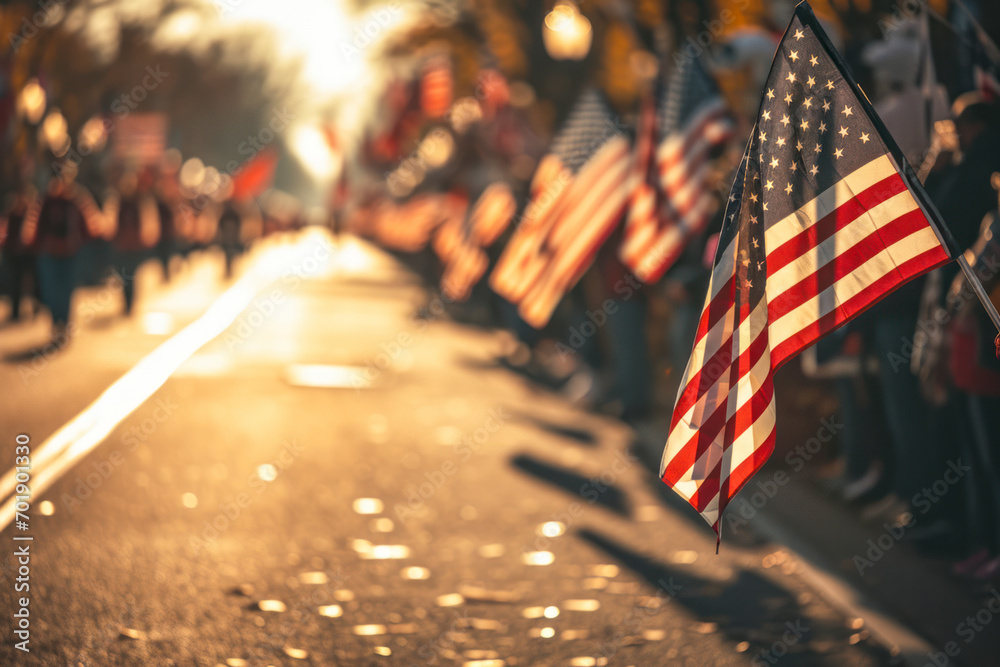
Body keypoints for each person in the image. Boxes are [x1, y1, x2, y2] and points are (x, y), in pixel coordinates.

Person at [21, 165, 105, 342]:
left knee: (66, 291)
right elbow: (33, 226)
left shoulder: (77, 199)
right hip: (49, 254)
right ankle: (56, 323)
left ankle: (64, 325)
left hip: (70, 253)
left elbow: (91, 225)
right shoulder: (44, 200)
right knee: (51, 291)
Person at [105, 170, 160, 316]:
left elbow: (148, 218)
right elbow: (111, 219)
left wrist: (148, 234)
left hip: (135, 245)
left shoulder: (141, 199)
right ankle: (126, 302)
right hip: (122, 245)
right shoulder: (117, 200)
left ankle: (130, 304)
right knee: (123, 276)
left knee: (132, 275)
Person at [0, 186, 40, 322]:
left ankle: (36, 307)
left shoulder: (32, 215)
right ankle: (15, 311)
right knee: (14, 283)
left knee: (33, 282)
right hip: (12, 254)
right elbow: (4, 233)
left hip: (28, 254)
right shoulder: (10, 215)